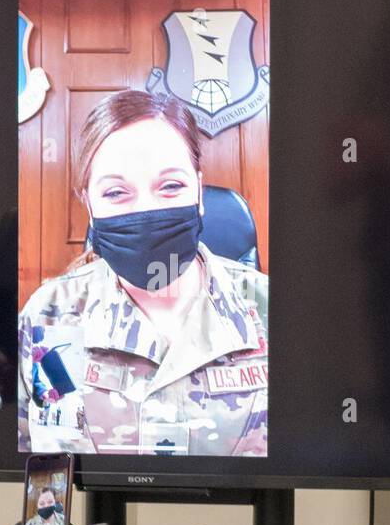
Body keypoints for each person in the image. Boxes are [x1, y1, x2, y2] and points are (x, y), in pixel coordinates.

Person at [17, 90, 268, 457]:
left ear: (198, 193)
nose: (147, 209)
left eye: (170, 186)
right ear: (89, 204)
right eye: (117, 192)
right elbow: (39, 469)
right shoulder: (50, 315)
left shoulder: (271, 310)